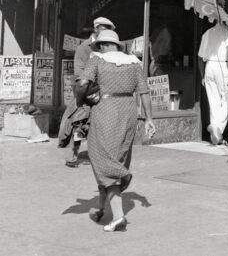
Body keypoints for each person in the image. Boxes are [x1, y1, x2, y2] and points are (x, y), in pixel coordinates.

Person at [76, 29, 156, 232]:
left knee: (103, 159)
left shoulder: (96, 60)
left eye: (99, 45)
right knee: (116, 157)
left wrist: (80, 101)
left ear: (103, 45)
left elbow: (83, 83)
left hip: (106, 109)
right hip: (128, 111)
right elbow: (144, 92)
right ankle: (100, 207)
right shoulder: (133, 63)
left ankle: (119, 217)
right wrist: (149, 119)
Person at [58, 17, 115, 168]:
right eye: (104, 29)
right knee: (78, 123)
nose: (106, 32)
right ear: (96, 29)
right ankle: (72, 157)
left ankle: (100, 157)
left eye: (108, 30)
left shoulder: (108, 47)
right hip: (86, 91)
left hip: (103, 92)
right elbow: (79, 74)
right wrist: (86, 91)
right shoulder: (84, 48)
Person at [198, 21, 228, 145]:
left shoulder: (207, 33)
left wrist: (202, 76)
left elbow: (200, 57)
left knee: (213, 102)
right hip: (222, 66)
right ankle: (217, 126)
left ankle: (217, 136)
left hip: (209, 66)